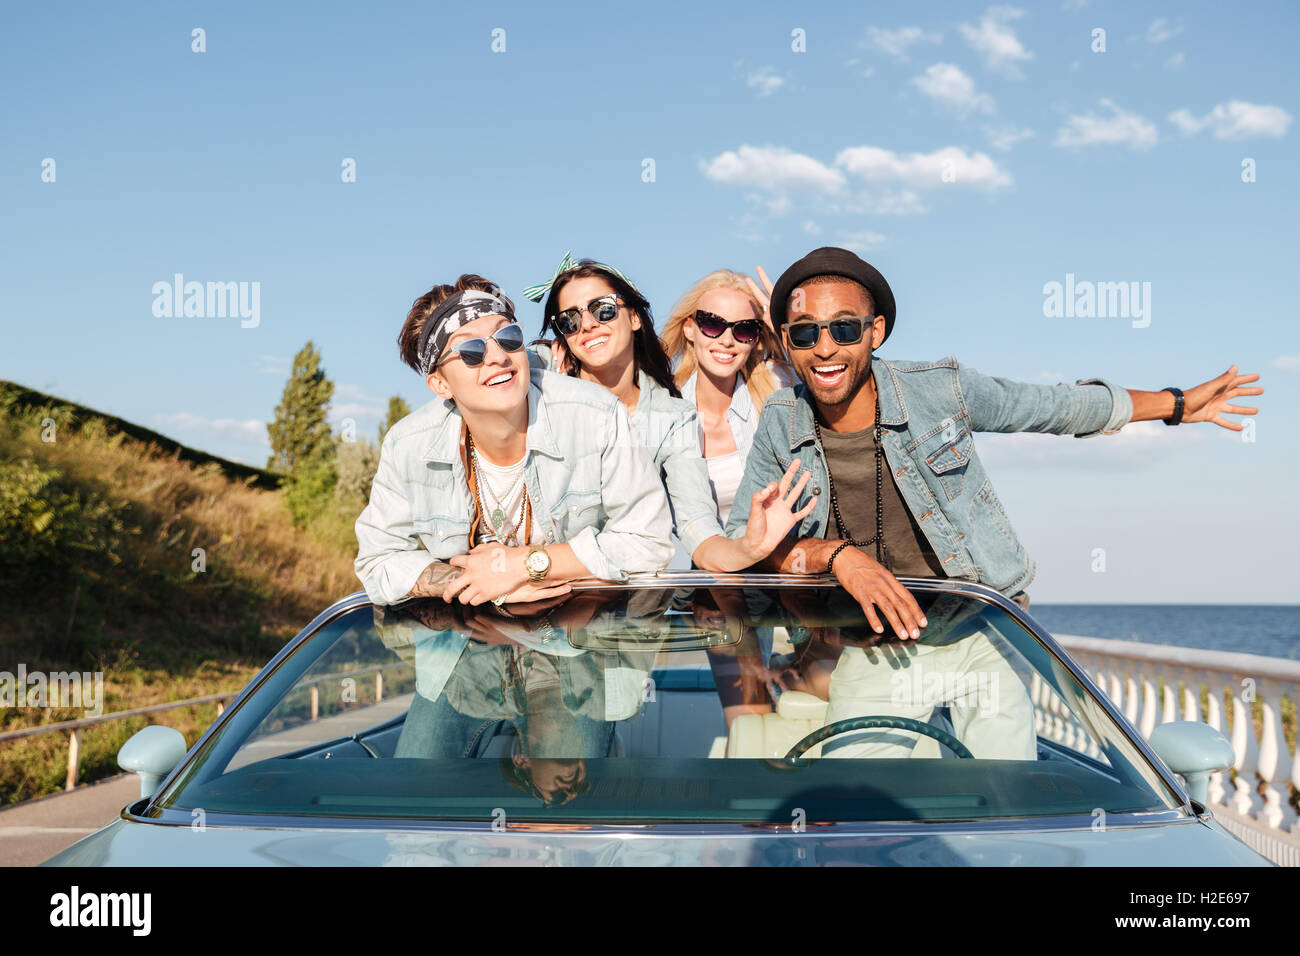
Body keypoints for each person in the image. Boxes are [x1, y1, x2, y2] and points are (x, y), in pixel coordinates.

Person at [726, 246, 1264, 643]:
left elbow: (1055, 407)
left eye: (844, 329)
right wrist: (834, 556)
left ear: (877, 332)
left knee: (1007, 794)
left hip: (980, 630)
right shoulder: (780, 422)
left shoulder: (939, 389)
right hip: (867, 649)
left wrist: (1175, 404)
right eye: (803, 333)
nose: (824, 348)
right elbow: (742, 547)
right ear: (788, 346)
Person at [354, 273, 677, 609]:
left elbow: (649, 541)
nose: (497, 356)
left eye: (507, 336)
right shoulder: (408, 446)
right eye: (470, 350)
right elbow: (376, 561)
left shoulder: (596, 416)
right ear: (440, 385)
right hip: (470, 647)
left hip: (586, 642)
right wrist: (483, 582)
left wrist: (525, 566)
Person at [523, 252, 816, 571]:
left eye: (603, 309)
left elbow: (698, 528)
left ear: (634, 317)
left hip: (624, 601)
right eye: (570, 319)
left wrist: (748, 549)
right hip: (527, 593)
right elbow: (502, 360)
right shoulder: (541, 385)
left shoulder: (672, 418)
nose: (589, 324)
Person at [661, 268, 795, 524]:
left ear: (756, 339)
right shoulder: (664, 411)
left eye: (744, 329)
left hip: (784, 559)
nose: (727, 340)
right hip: (708, 562)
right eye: (712, 324)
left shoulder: (779, 384)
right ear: (689, 328)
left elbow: (828, 384)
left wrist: (789, 332)